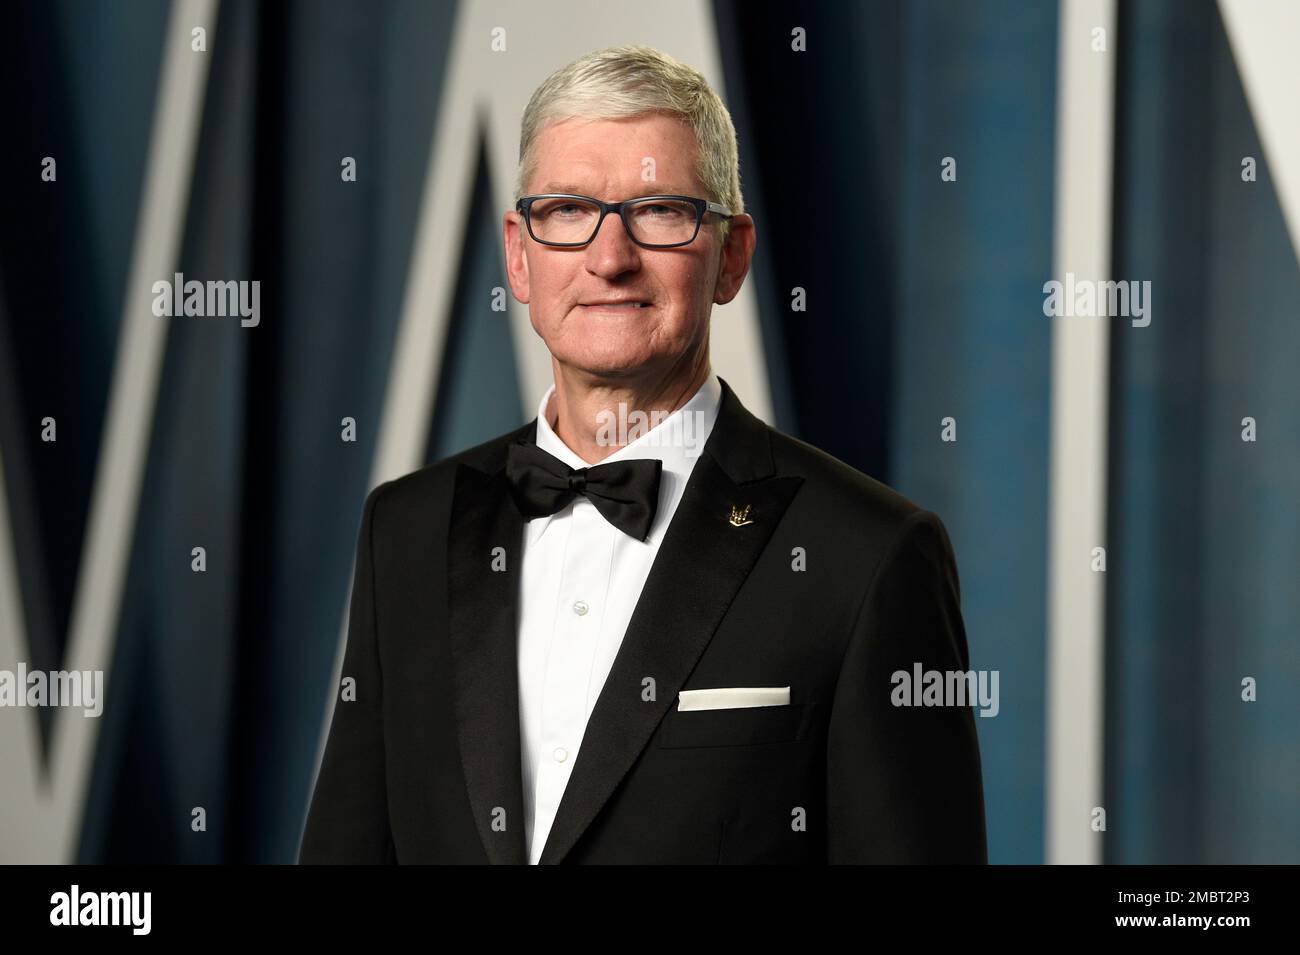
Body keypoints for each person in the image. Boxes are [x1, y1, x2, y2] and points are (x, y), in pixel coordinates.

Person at [299, 44, 986, 864]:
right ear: (520, 254)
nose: (609, 256)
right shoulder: (404, 529)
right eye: (567, 210)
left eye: (659, 209)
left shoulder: (867, 554)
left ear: (730, 255)